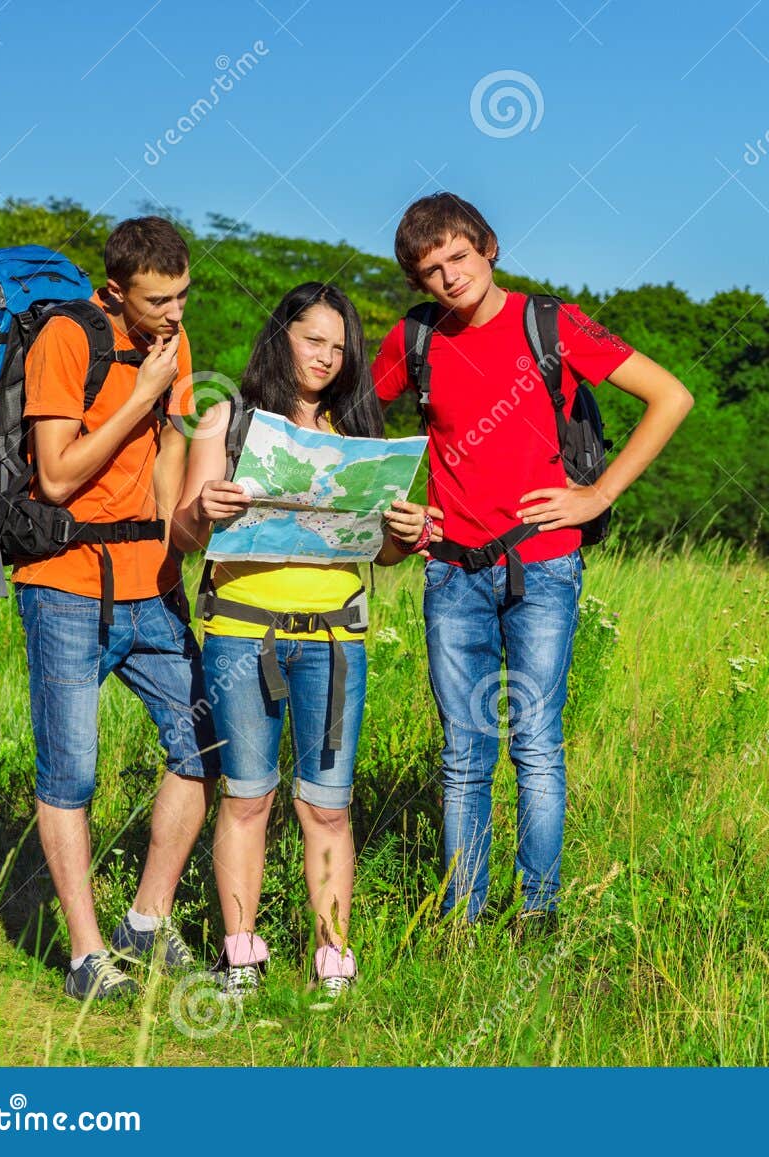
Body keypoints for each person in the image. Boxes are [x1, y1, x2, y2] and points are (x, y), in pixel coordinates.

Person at [371, 192, 692, 933]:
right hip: (450, 569)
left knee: (536, 745)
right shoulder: (413, 338)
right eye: (431, 270)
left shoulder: (549, 322)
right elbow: (349, 424)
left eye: (458, 255)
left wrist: (597, 493)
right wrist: (395, 514)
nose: (449, 277)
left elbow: (671, 396)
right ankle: (463, 920)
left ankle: (538, 912)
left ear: (488, 246)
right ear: (418, 283)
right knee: (462, 755)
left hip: (543, 563)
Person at [174, 282, 437, 1001]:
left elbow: (375, 555)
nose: (325, 357)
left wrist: (402, 539)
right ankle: (241, 955)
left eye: (339, 346)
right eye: (312, 339)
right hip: (239, 632)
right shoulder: (226, 421)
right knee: (247, 797)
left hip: (334, 639)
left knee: (327, 806)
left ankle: (332, 961)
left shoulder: (360, 436)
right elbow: (183, 532)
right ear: (281, 335)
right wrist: (204, 507)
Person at [17, 216, 216, 1001]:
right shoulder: (66, 340)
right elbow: (58, 475)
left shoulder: (175, 344)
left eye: (183, 296)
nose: (175, 313)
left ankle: (147, 920)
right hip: (64, 581)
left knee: (207, 740)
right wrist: (138, 395)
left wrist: (181, 555)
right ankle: (86, 956)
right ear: (115, 290)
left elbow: (169, 451)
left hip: (151, 582)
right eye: (158, 299)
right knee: (71, 771)